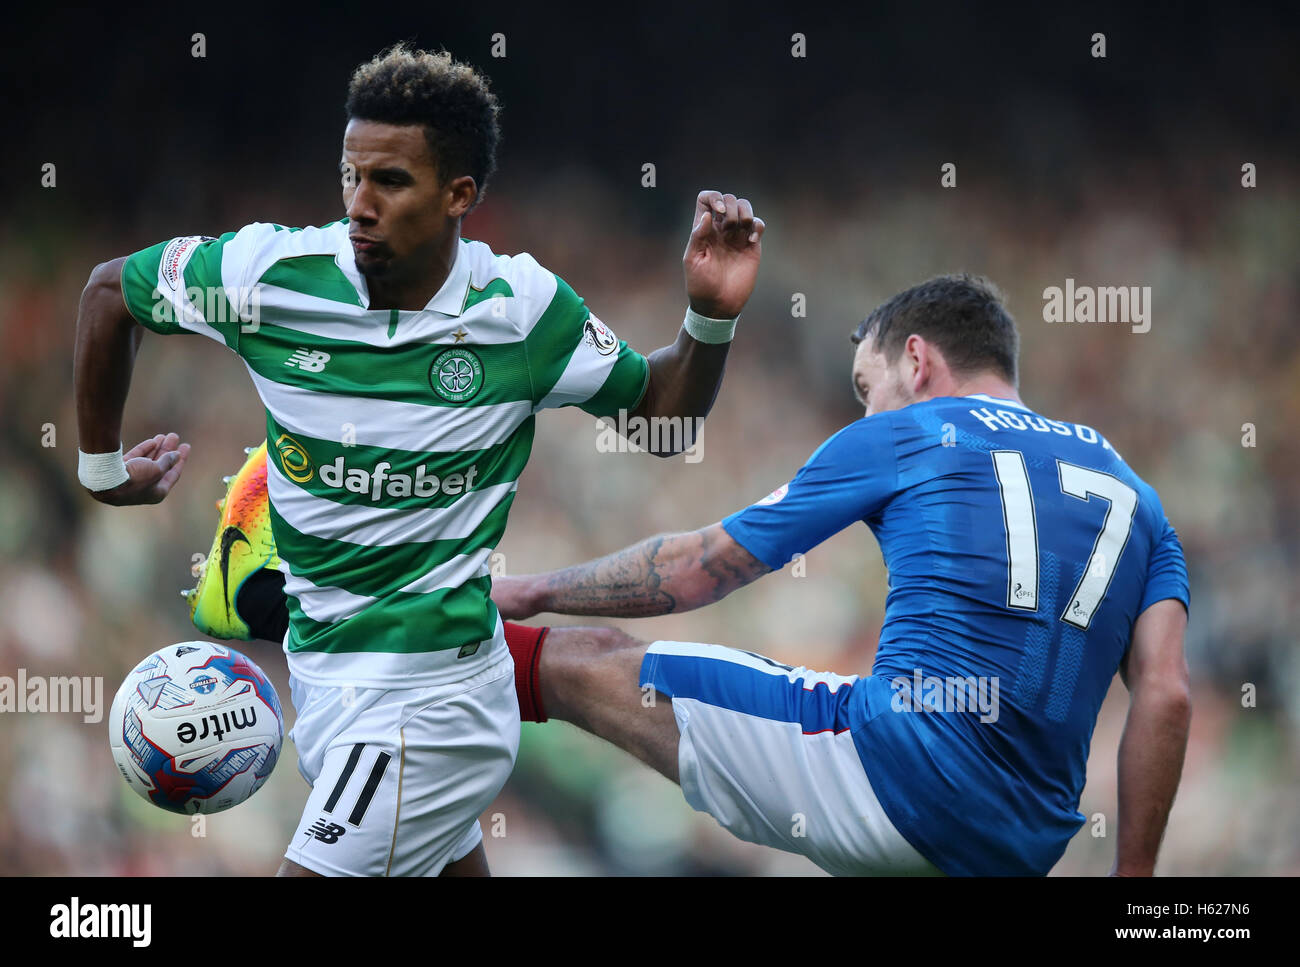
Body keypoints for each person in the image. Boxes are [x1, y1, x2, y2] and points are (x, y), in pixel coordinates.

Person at [73, 43, 764, 877]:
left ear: (458, 195)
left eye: (390, 182)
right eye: (349, 176)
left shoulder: (521, 309)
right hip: (323, 682)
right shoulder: (266, 276)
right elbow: (112, 292)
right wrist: (101, 470)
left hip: (433, 701)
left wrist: (709, 319)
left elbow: (662, 418)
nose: (359, 205)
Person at [488, 273, 1192, 876]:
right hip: (1021, 847)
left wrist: (530, 590)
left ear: (915, 359)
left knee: (589, 658)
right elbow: (1165, 695)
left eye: (866, 386)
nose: (865, 409)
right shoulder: (1138, 495)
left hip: (900, 775)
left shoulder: (906, 432)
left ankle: (421, 651)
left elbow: (701, 570)